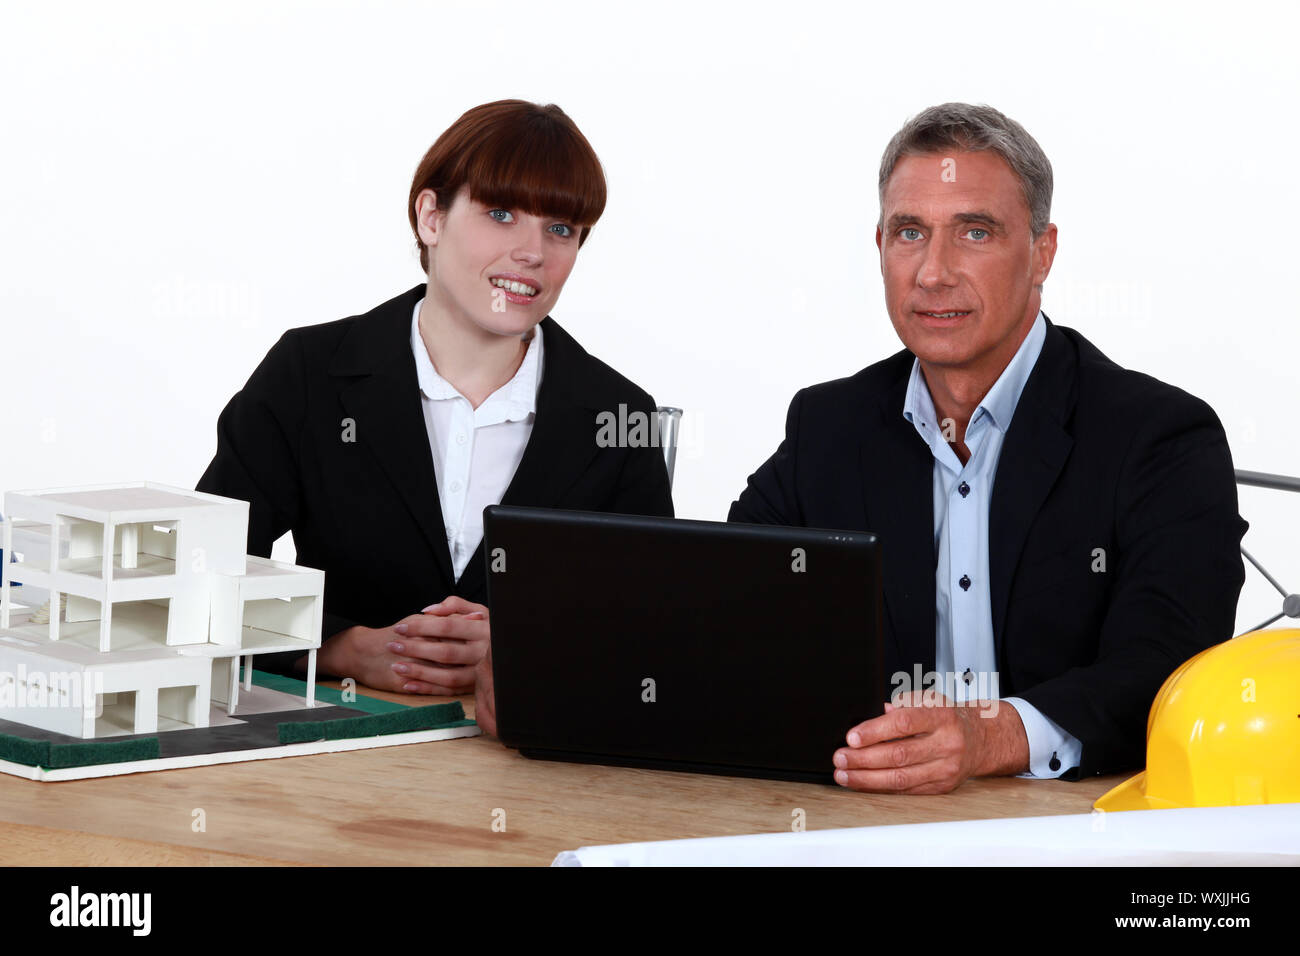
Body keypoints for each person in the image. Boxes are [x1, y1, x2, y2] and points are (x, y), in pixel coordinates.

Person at [727, 103, 1246, 793]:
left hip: (1076, 830)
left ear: (1043, 253)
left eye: (975, 232)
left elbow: (1168, 669)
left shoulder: (1160, 438)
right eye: (910, 233)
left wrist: (990, 736)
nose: (934, 273)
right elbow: (725, 608)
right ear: (879, 246)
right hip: (869, 824)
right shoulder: (830, 424)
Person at [198, 99, 674, 696]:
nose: (533, 252)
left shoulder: (621, 416)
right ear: (431, 217)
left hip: (528, 766)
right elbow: (209, 573)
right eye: (501, 213)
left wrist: (523, 646)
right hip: (333, 750)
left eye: (561, 229)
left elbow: (652, 626)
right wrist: (335, 647)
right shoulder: (309, 373)